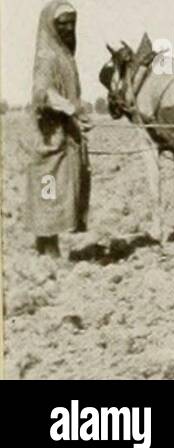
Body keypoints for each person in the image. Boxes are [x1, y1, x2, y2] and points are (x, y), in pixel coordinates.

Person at [26, 0, 92, 258]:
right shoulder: (47, 56)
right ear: (51, 26)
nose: (68, 28)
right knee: (48, 189)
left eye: (72, 24)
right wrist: (70, 108)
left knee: (60, 189)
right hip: (49, 141)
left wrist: (79, 116)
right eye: (63, 24)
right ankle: (47, 249)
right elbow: (43, 94)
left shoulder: (65, 56)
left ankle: (48, 247)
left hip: (65, 139)